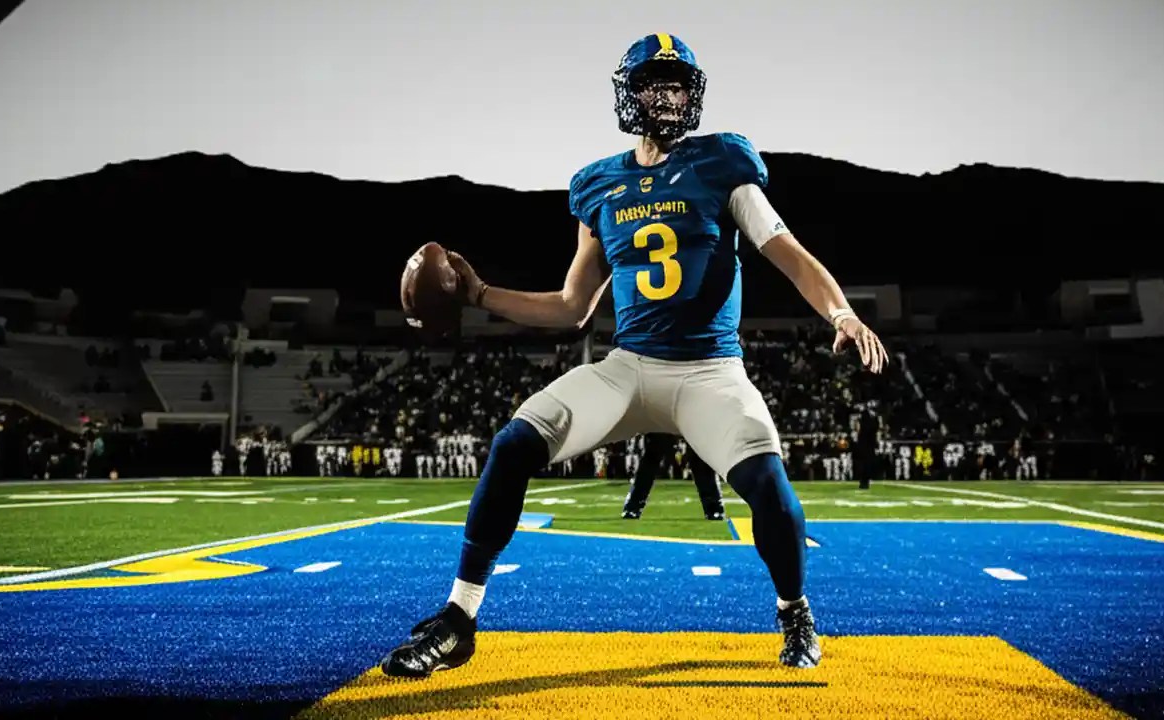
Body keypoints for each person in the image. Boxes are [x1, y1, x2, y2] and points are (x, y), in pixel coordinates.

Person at [380, 32, 888, 679]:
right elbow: (572, 307)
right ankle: (458, 621)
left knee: (771, 489)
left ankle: (795, 611)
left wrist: (839, 311)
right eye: (655, 82)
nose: (669, 96)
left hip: (709, 369)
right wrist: (480, 293)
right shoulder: (598, 185)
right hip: (630, 366)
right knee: (513, 445)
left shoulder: (723, 161)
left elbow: (784, 250)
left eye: (678, 84)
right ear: (630, 93)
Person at [621, 433, 726, 520]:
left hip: (689, 412)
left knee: (700, 456)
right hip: (666, 412)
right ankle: (633, 506)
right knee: (653, 453)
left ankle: (714, 507)